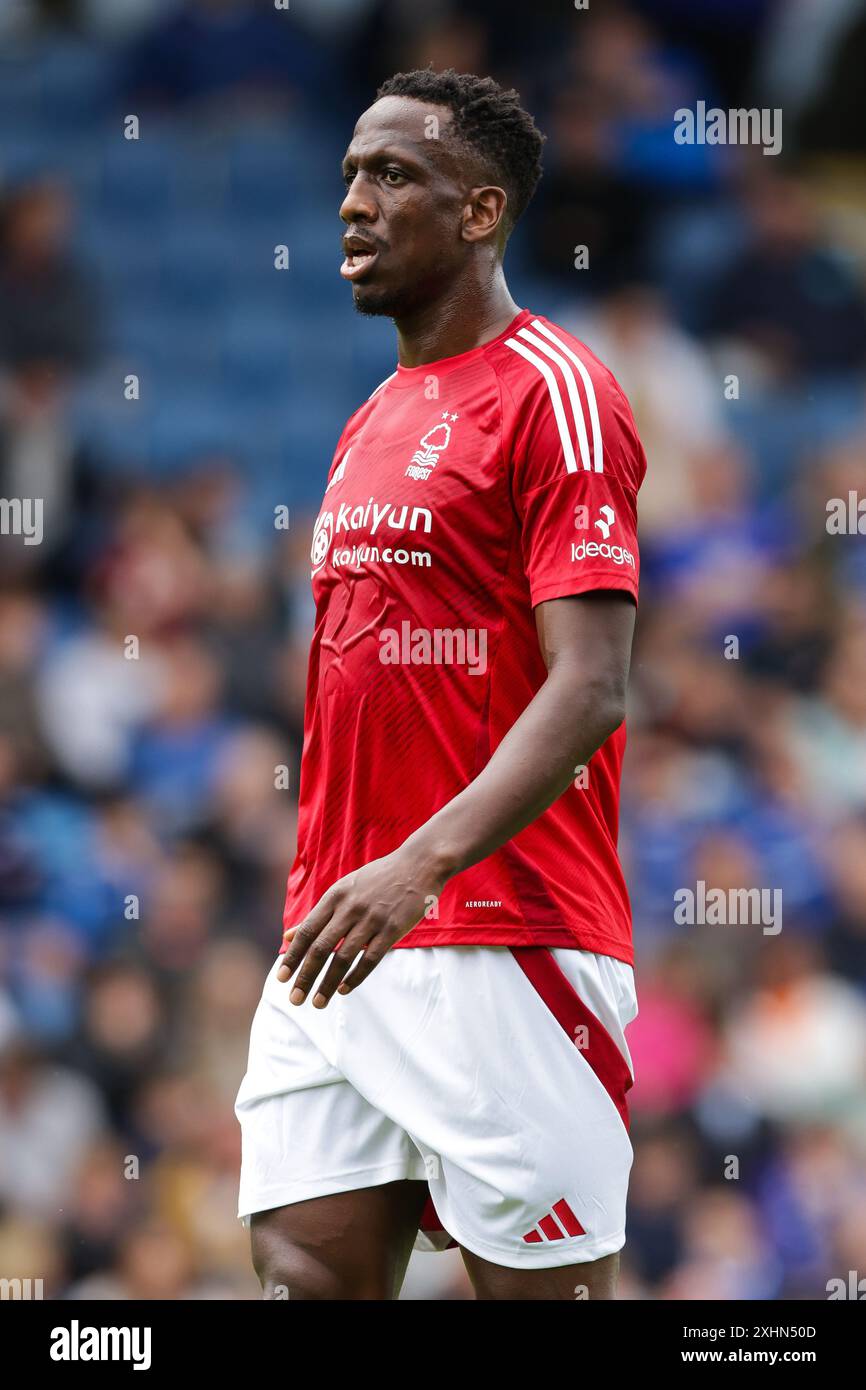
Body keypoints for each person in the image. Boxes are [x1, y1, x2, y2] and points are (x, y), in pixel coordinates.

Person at [235, 67, 647, 1301]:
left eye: (392, 175)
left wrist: (416, 867)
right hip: (335, 936)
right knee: (299, 1270)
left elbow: (590, 689)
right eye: (352, 172)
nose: (353, 201)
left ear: (479, 213)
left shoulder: (556, 393)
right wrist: (354, 878)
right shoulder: (372, 417)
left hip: (498, 934)